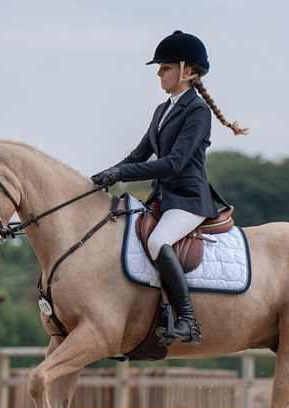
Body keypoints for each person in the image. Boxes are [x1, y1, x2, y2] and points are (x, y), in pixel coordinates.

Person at [91, 30, 247, 345]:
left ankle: (189, 320)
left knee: (159, 239)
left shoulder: (198, 111)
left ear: (187, 71)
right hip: (163, 198)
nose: (159, 74)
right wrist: (99, 178)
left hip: (188, 199)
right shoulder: (162, 111)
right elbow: (138, 156)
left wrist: (122, 172)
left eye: (165, 68)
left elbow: (174, 163)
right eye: (159, 69)